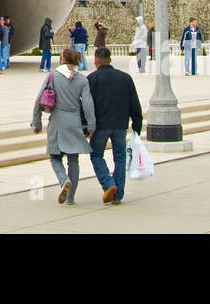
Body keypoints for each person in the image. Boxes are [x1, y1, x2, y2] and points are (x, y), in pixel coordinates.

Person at [30, 48, 95, 206]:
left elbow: (39, 99)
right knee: (73, 159)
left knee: (54, 156)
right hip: (74, 122)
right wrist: (91, 125)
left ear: (63, 59)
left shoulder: (53, 76)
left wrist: (36, 122)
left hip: (58, 121)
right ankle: (71, 197)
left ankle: (63, 180)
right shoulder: (82, 80)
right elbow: (87, 104)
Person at [87, 47, 143, 205]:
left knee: (96, 154)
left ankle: (108, 183)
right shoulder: (125, 78)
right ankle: (118, 194)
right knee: (120, 157)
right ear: (111, 60)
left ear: (96, 61)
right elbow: (134, 104)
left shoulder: (92, 79)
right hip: (120, 125)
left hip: (101, 126)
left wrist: (86, 127)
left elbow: (87, 105)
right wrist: (136, 125)